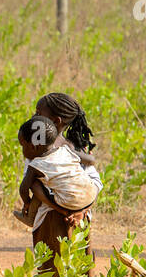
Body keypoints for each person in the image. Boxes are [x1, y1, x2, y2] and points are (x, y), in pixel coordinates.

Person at [21, 92, 102, 258]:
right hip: (80, 219)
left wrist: (62, 210)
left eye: (38, 113)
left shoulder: (37, 149)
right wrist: (82, 211)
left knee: (53, 273)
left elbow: (30, 186)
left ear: (56, 121)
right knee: (78, 274)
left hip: (51, 221)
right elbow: (94, 184)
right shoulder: (76, 147)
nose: (33, 116)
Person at [14, 115, 99, 231]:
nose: (22, 150)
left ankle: (30, 217)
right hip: (91, 195)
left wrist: (27, 202)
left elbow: (23, 189)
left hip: (69, 202)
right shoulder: (65, 150)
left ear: (33, 147)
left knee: (34, 183)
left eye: (23, 146)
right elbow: (89, 161)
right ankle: (80, 212)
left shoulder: (36, 165)